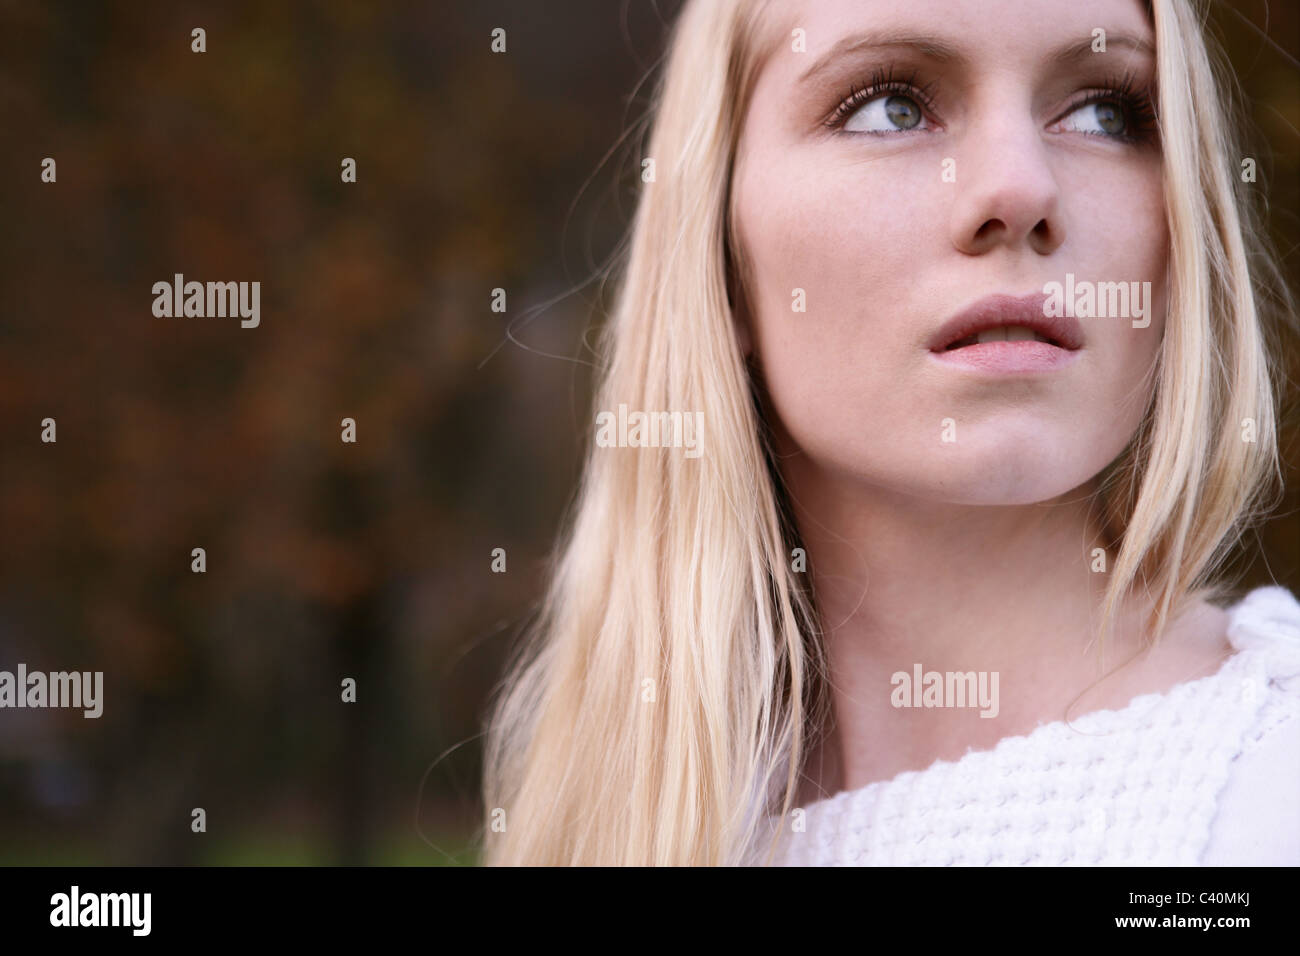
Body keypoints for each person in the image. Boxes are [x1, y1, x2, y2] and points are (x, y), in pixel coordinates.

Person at [481, 0, 1300, 866]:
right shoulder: (607, 820)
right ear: (721, 251)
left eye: (1105, 111)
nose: (1020, 190)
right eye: (891, 105)